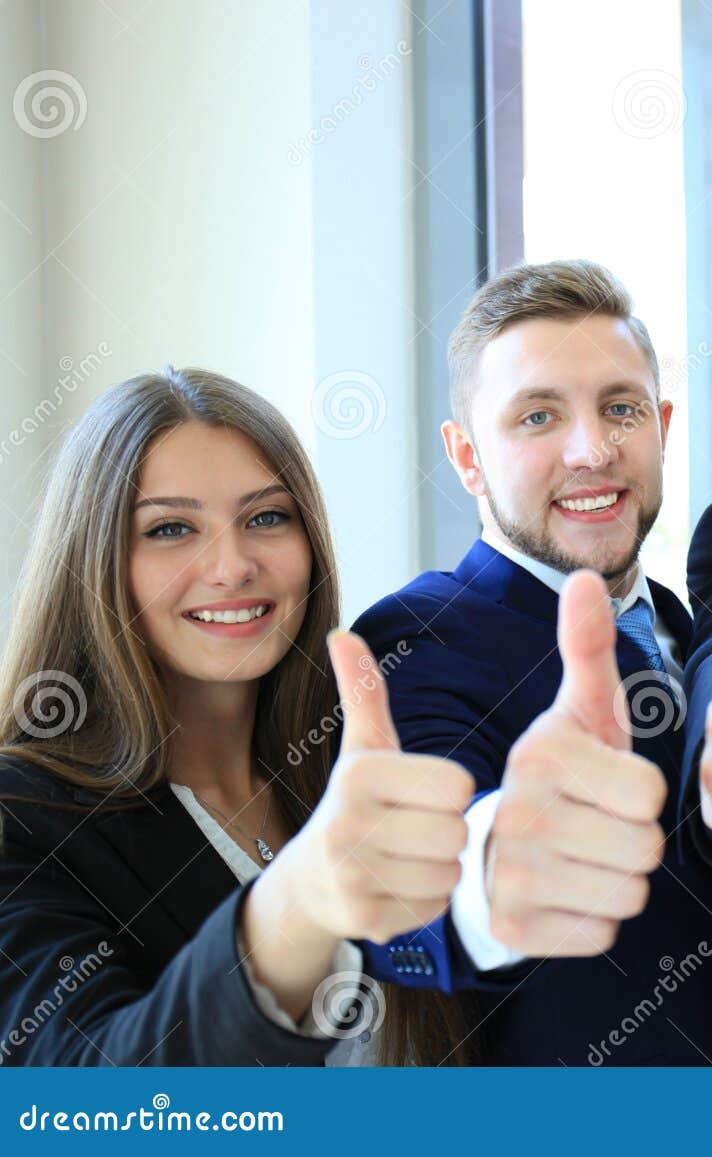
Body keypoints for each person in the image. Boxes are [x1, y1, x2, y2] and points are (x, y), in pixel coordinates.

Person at [0, 368, 473, 1066]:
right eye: (169, 528)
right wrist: (297, 903)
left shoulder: (356, 760)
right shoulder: (22, 816)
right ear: (94, 561)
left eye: (265, 517)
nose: (231, 565)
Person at [354, 260, 712, 1065]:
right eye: (538, 417)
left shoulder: (679, 625)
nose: (593, 450)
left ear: (663, 427)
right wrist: (487, 864)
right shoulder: (419, 635)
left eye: (621, 408)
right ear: (468, 458)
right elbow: (405, 892)